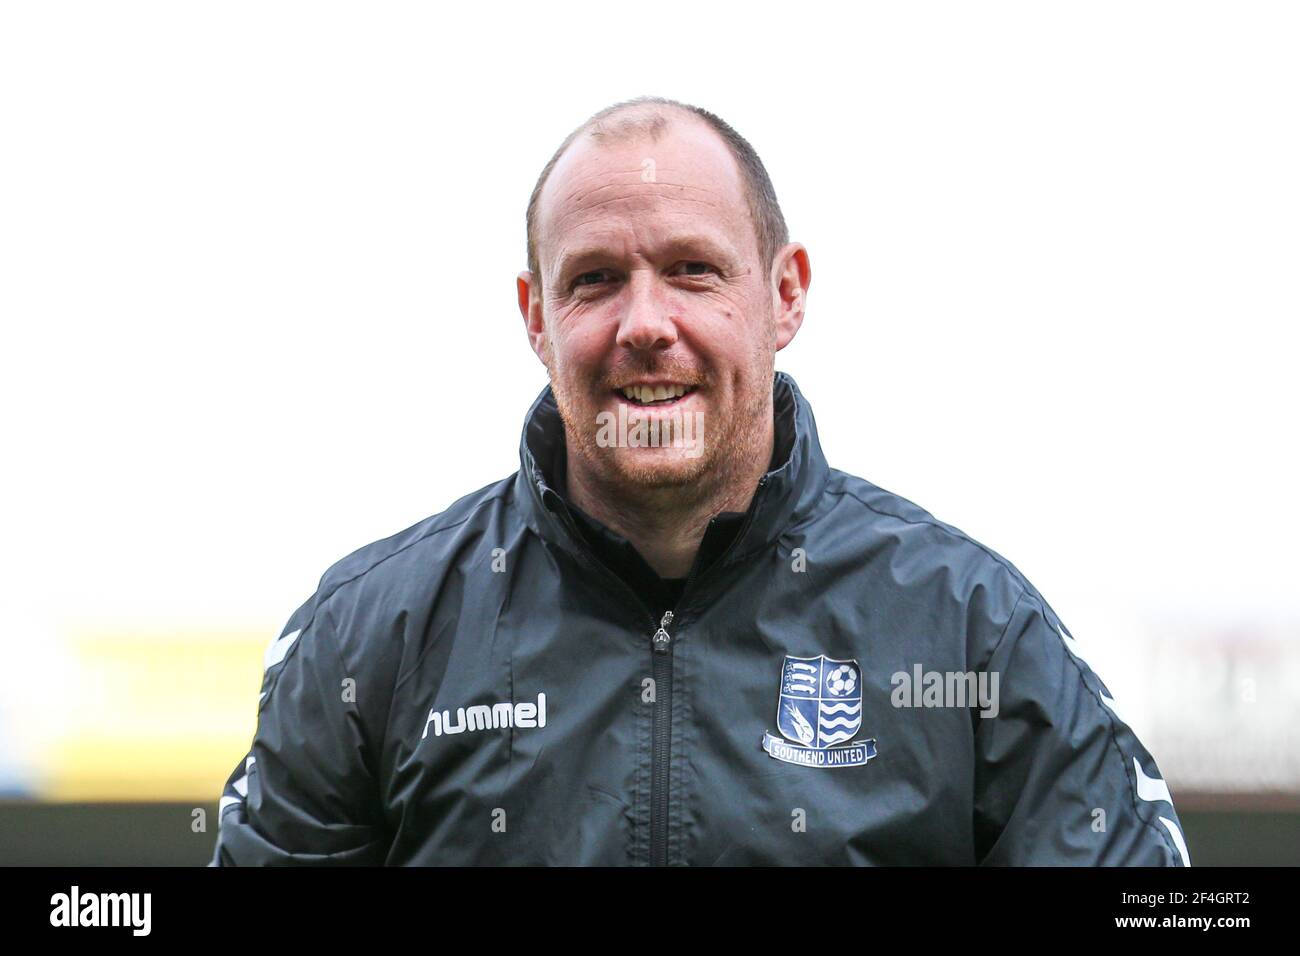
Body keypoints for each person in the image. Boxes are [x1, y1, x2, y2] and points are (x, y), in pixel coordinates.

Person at [211, 96, 1189, 866]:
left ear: (785, 293)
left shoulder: (972, 625)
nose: (643, 321)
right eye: (593, 278)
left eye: (690, 270)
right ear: (534, 315)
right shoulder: (369, 634)